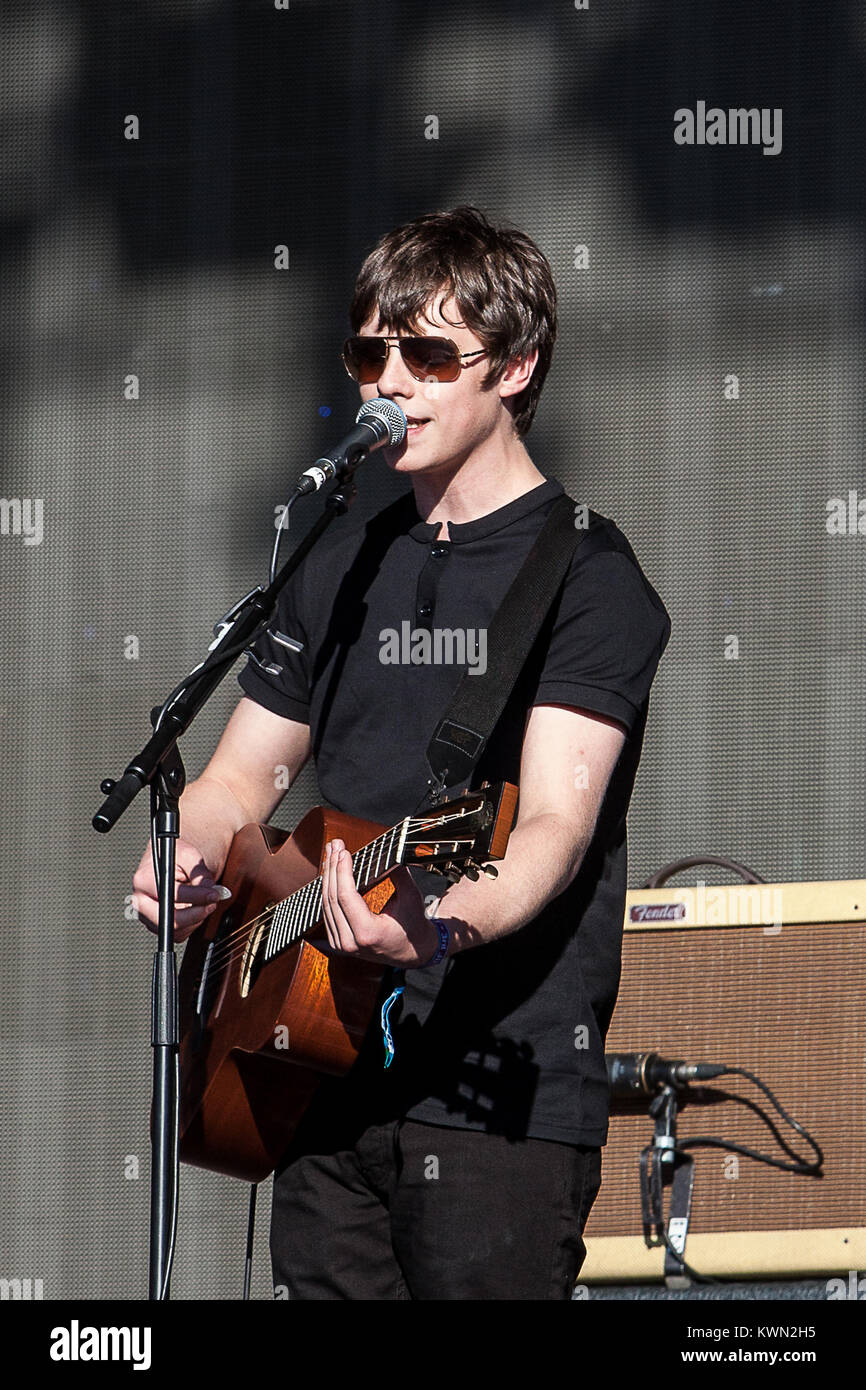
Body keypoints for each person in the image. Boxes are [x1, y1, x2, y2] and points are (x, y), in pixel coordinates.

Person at [132, 204, 671, 1300]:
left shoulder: (586, 579)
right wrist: (189, 847)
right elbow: (246, 775)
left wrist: (440, 920)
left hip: (491, 1096)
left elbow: (555, 826)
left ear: (514, 368)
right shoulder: (340, 555)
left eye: (427, 354)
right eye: (368, 350)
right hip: (320, 1069)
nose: (390, 380)